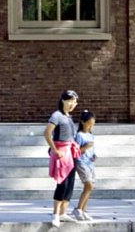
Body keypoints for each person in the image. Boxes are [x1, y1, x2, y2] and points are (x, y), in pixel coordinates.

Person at [44, 90, 79, 228]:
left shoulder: (69, 117)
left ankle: (64, 212)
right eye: (69, 100)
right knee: (62, 183)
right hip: (61, 152)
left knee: (70, 183)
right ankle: (55, 214)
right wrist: (55, 150)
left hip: (71, 153)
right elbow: (47, 133)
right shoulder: (56, 115)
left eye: (74, 102)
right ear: (63, 100)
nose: (72, 104)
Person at [71, 109, 96, 222]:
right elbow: (76, 152)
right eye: (89, 124)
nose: (91, 126)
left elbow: (92, 149)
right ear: (83, 122)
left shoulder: (91, 135)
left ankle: (83, 210)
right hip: (81, 162)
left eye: (92, 124)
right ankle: (78, 209)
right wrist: (85, 147)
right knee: (89, 185)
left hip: (90, 163)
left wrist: (94, 155)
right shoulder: (79, 135)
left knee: (90, 187)